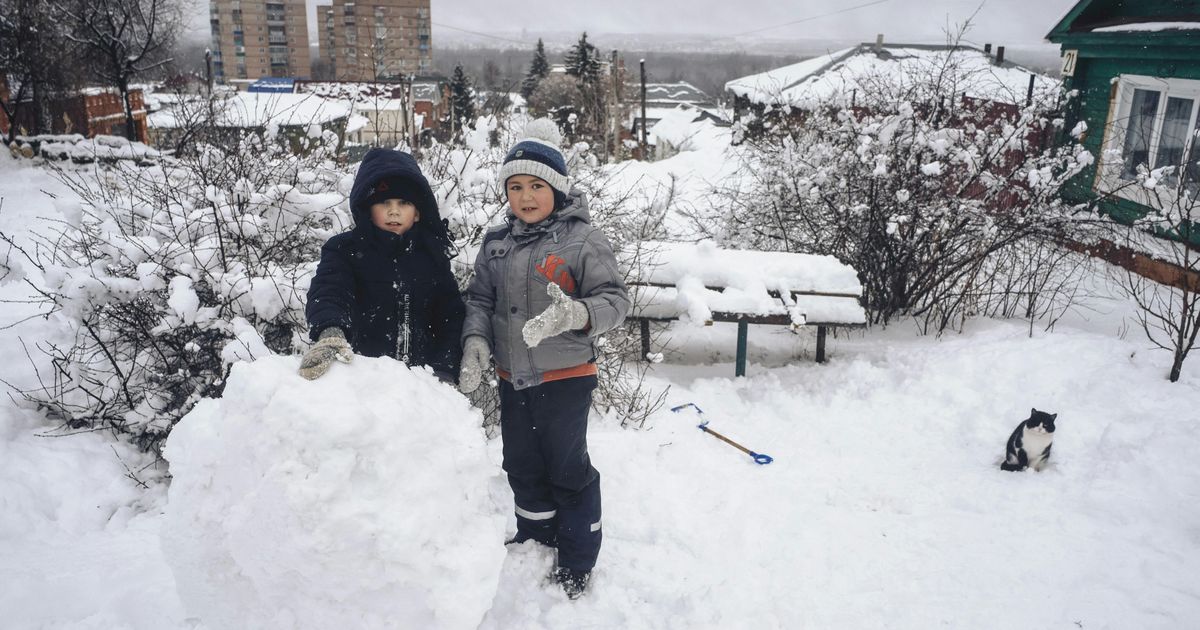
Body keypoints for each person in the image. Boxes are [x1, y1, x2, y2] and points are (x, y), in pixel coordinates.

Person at [458, 119, 630, 600]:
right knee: (522, 464)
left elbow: (616, 300)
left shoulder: (582, 240)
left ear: (556, 187)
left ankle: (576, 559)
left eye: (536, 185)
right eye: (515, 186)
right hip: (514, 378)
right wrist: (476, 340)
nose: (526, 196)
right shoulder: (495, 244)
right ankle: (536, 538)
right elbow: (479, 302)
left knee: (567, 469)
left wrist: (577, 314)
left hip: (566, 377)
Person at [301, 148, 464, 382]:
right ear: (368, 208)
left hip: (422, 385)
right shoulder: (345, 251)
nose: (394, 210)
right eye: (384, 202)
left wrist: (445, 369)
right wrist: (331, 330)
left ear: (417, 213)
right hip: (361, 379)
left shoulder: (431, 257)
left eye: (404, 202)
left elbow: (451, 317)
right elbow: (330, 291)